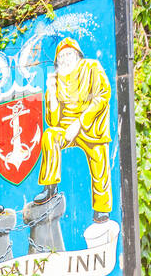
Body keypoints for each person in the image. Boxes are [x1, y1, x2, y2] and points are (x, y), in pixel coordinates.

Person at [33, 38, 112, 221]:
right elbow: (53, 122)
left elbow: (103, 95)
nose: (64, 58)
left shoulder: (92, 67)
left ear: (77, 55)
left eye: (68, 54)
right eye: (60, 56)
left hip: (90, 126)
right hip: (66, 128)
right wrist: (51, 94)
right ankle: (50, 188)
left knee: (100, 157)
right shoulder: (57, 78)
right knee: (50, 135)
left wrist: (80, 122)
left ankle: (102, 208)